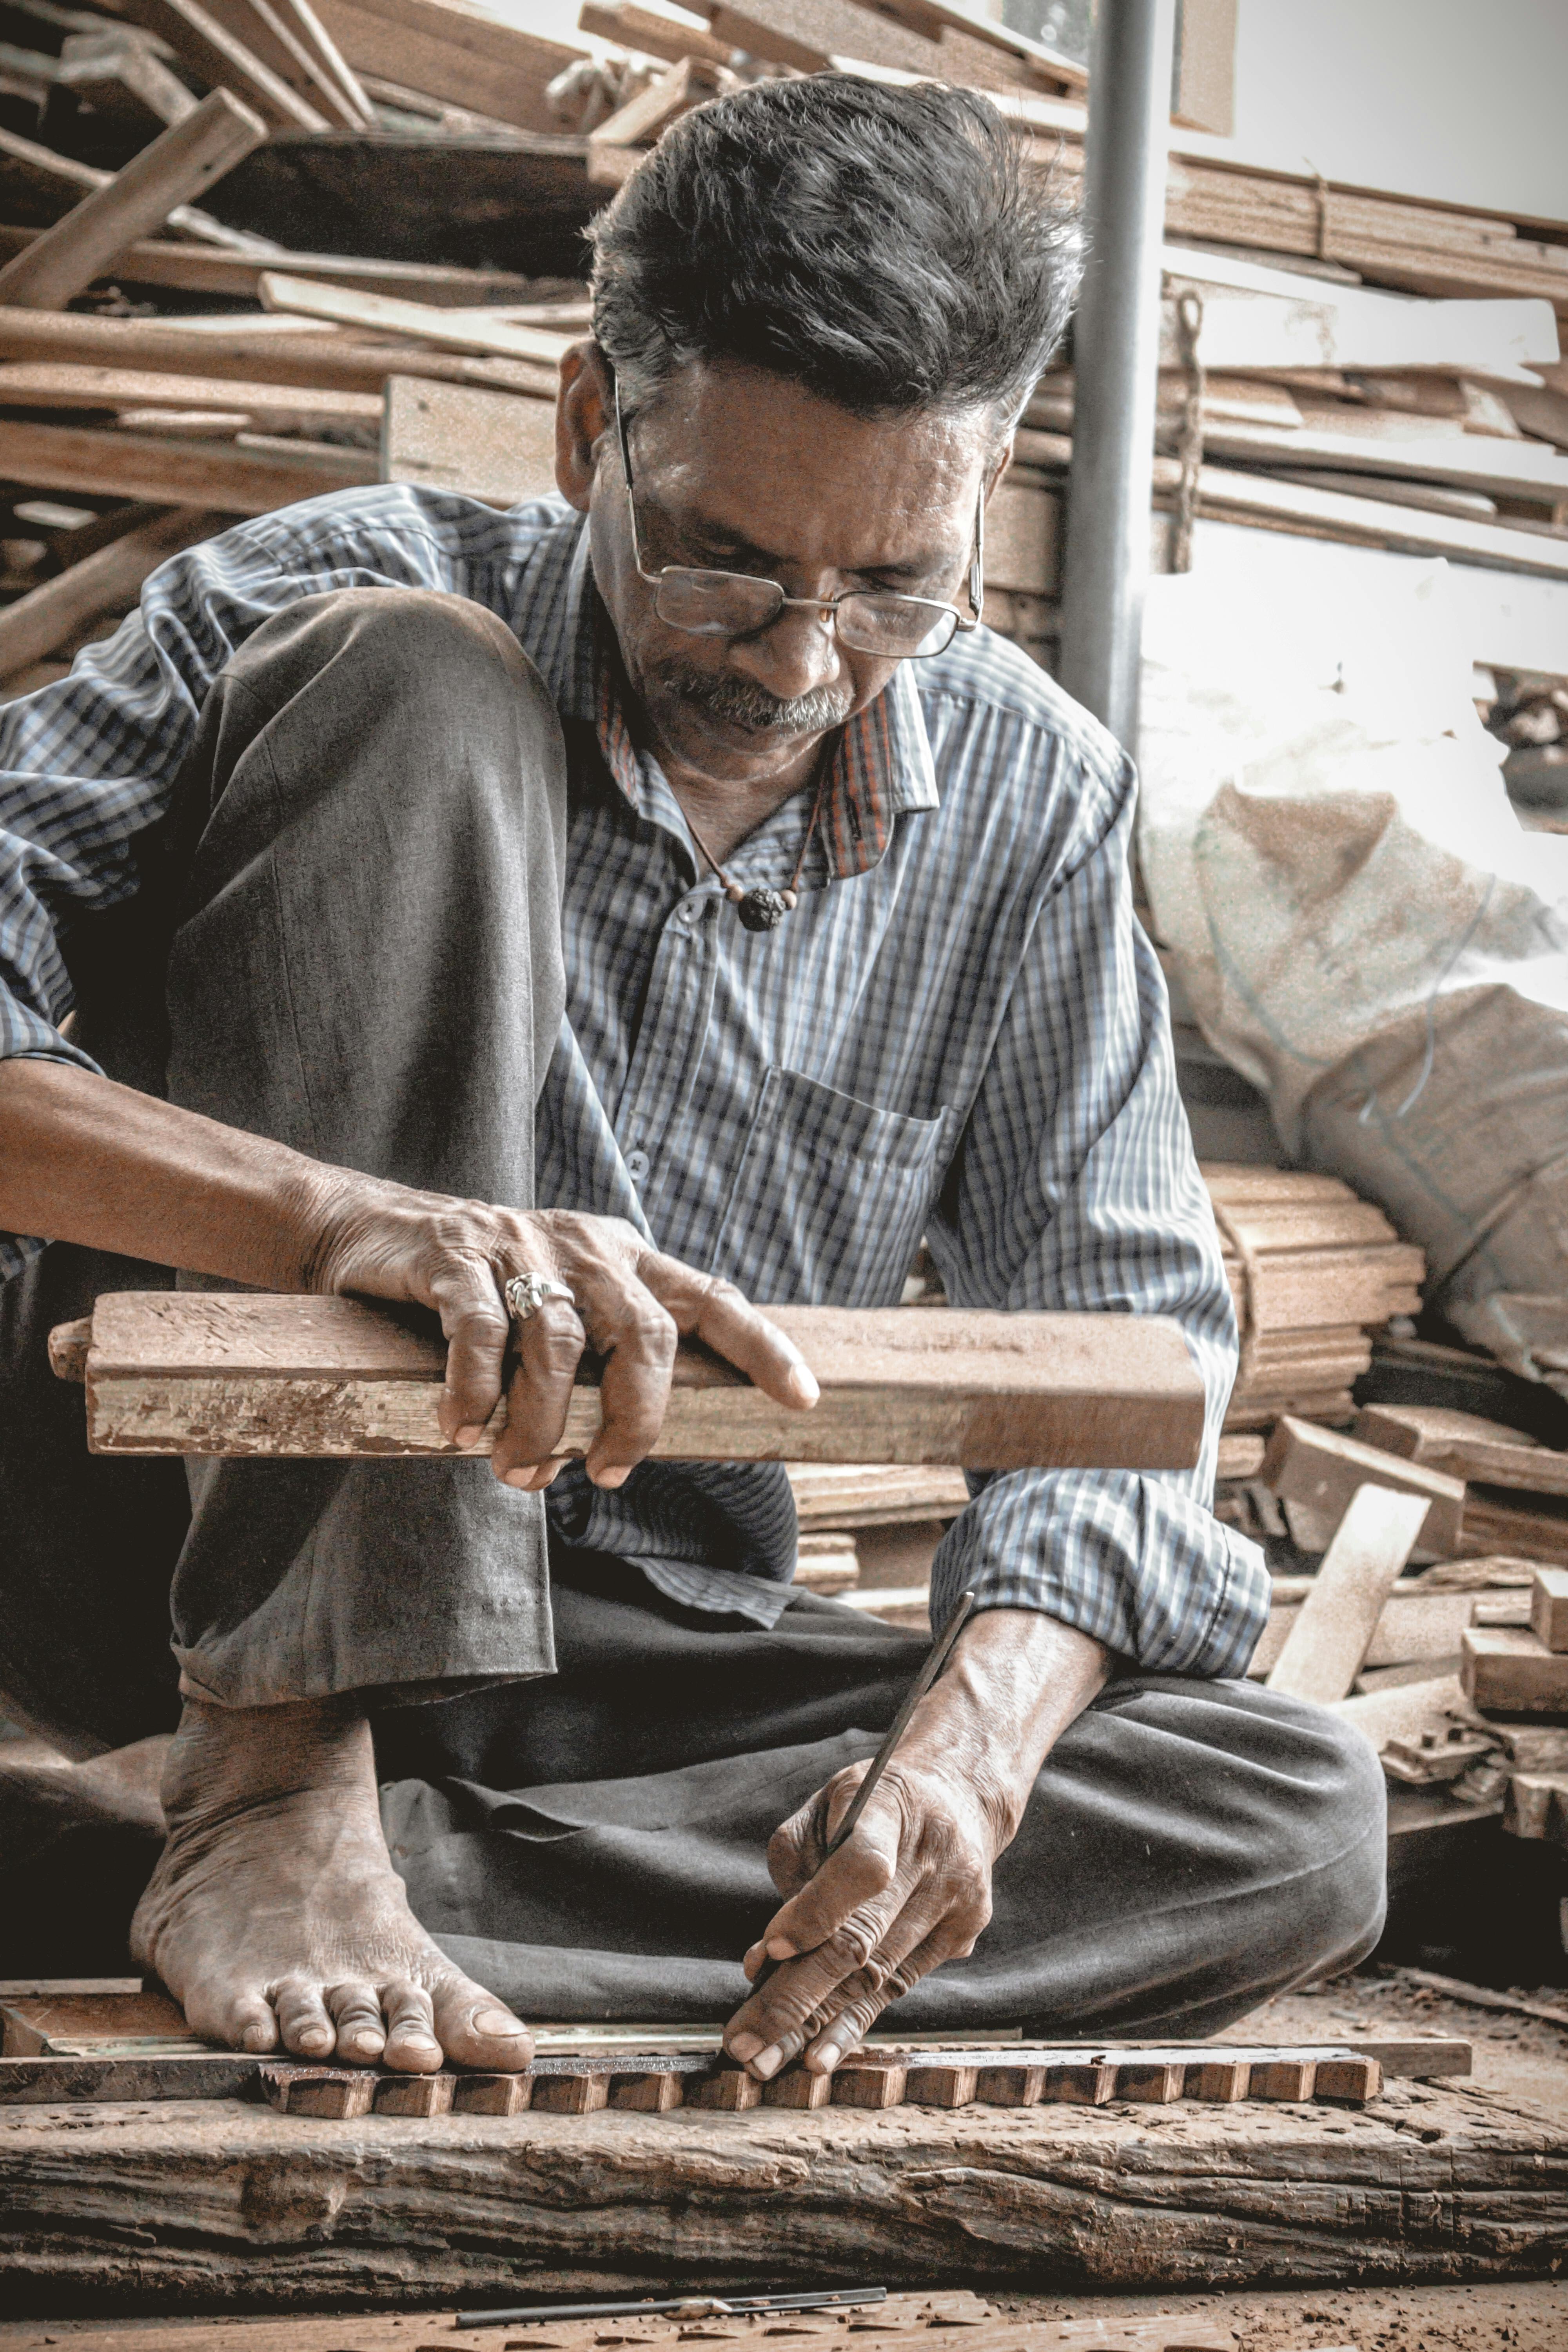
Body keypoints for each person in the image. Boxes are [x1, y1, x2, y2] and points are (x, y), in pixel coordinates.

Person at [0, 76, 1385, 2082]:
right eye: (723, 561)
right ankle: (266, 1778)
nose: (803, 663)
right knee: (424, 680)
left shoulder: (1031, 795)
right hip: (173, 1567)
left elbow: (1121, 1356)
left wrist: (967, 1756)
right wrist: (333, 1214)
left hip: (608, 1629)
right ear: (590, 427)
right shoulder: (317, 599)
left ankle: (202, 1864)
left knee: (1291, 1816)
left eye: (900, 584)